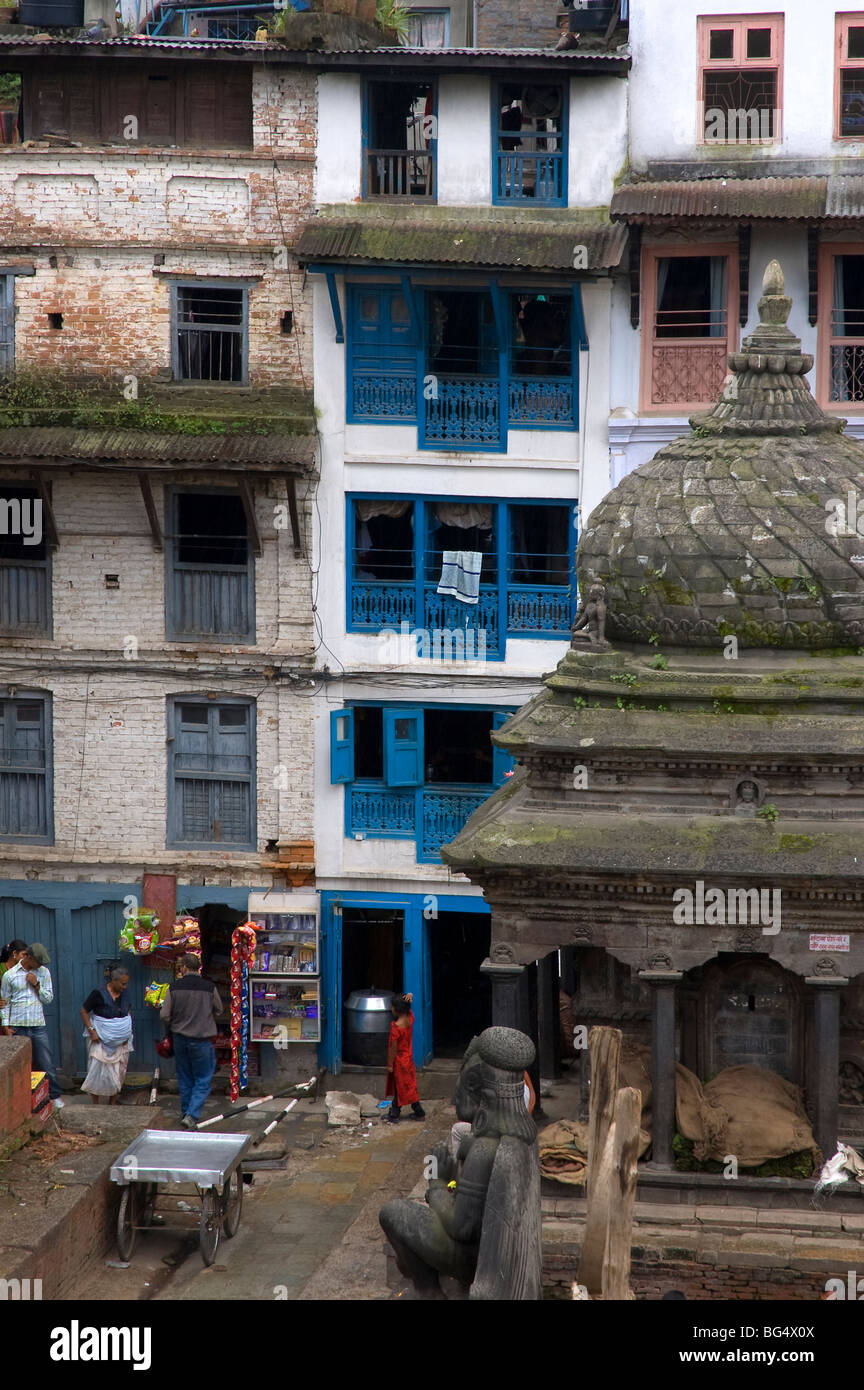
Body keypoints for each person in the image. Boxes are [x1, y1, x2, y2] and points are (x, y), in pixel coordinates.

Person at [160, 953, 222, 1130]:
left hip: (180, 1039)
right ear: (198, 968)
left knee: (185, 1078)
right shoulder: (209, 988)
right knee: (203, 1078)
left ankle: (186, 1112)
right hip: (202, 1040)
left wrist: (175, 1023)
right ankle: (192, 1115)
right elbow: (219, 1009)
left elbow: (164, 1015)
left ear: (185, 968)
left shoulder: (174, 987)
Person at [0, 942, 63, 1107]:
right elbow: (5, 1002)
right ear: (28, 957)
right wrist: (6, 1026)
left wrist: (36, 984)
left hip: (37, 1025)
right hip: (17, 1025)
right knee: (19, 1064)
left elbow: (48, 999)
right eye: (38, 962)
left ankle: (54, 1096)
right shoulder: (10, 975)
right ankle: (19, 1100)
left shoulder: (43, 973)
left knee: (46, 1063)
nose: (40, 965)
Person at [80, 966, 133, 1105]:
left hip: (121, 1040)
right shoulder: (98, 993)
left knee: (119, 1070)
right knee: (97, 1070)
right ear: (113, 981)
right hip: (100, 1038)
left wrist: (127, 1034)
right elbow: (84, 1011)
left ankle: (112, 1102)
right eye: (122, 983)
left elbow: (128, 1012)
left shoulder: (125, 993)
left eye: (126, 983)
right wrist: (92, 1031)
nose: (124, 987)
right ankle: (96, 1103)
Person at [385, 992, 425, 1124]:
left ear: (397, 1009)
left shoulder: (395, 1027)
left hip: (399, 1061)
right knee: (409, 1086)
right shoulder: (410, 1019)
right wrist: (410, 998)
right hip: (408, 1059)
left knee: (399, 1087)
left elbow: (393, 1048)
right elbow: (409, 1009)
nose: (391, 1009)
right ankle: (418, 1111)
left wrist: (390, 1064)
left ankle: (395, 1113)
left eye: (392, 1007)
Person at [0, 940, 27, 1031]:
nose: (25, 958)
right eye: (23, 955)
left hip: (17, 1018)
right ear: (14, 953)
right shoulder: (1, 969)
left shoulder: (22, 971)